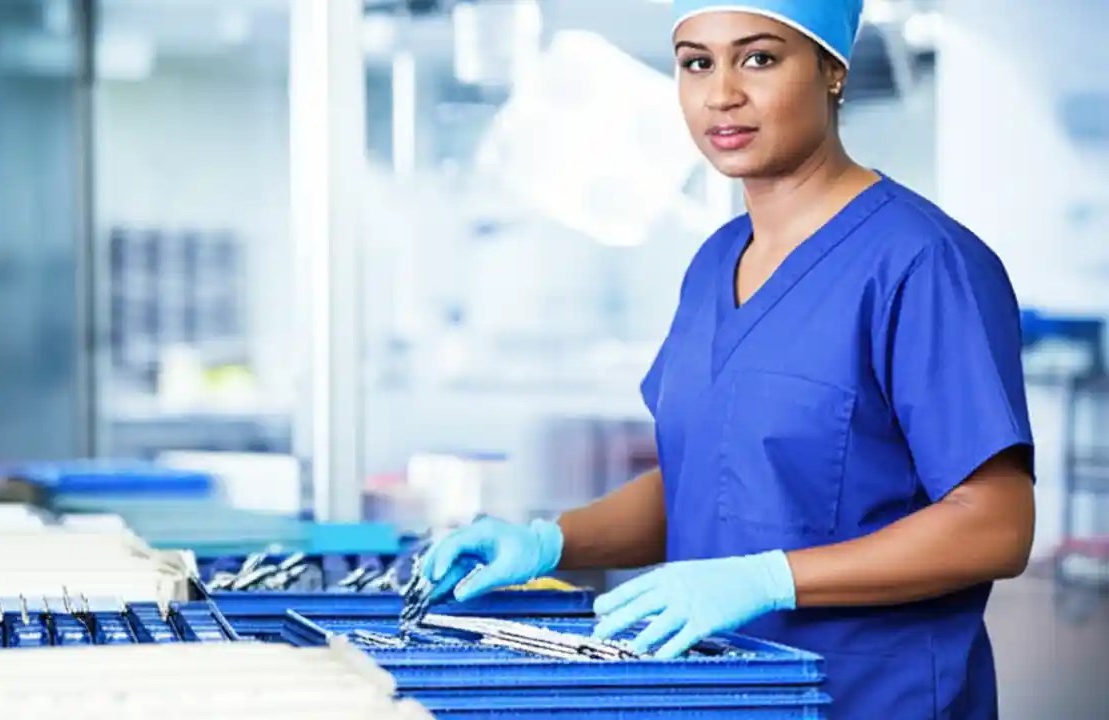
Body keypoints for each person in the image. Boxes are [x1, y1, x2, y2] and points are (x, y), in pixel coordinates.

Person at [417, 1, 1036, 717]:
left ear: (832, 71)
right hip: (718, 694)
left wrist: (768, 579)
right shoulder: (714, 263)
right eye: (697, 63)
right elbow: (701, 479)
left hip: (867, 699)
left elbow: (996, 523)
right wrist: (551, 540)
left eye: (760, 58)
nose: (721, 94)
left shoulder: (922, 263)